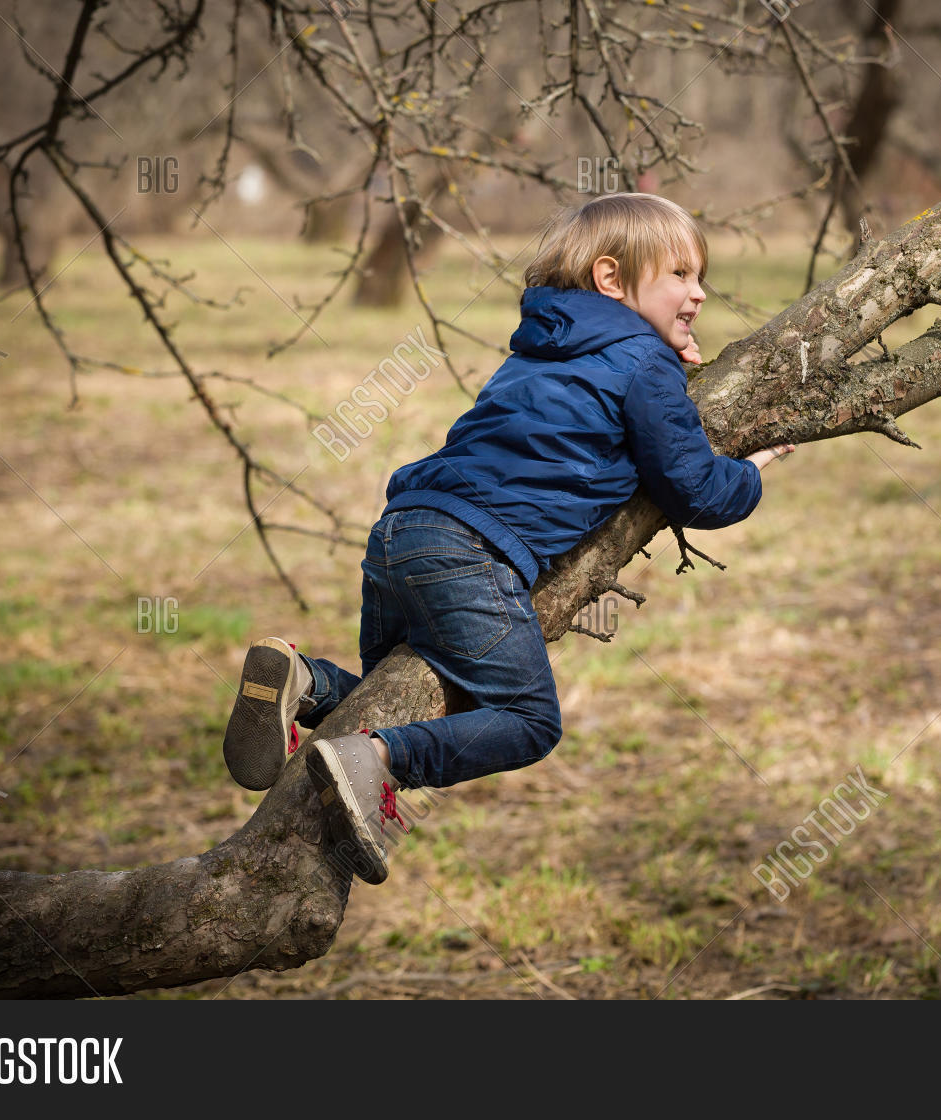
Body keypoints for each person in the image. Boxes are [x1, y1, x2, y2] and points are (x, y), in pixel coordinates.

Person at [220, 193, 796, 884]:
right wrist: (752, 472)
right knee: (526, 721)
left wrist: (676, 368)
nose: (699, 293)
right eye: (679, 274)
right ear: (612, 279)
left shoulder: (542, 351)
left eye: (700, 277)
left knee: (413, 696)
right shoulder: (645, 364)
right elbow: (693, 487)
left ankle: (305, 682)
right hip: (473, 553)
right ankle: (377, 762)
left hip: (402, 532)